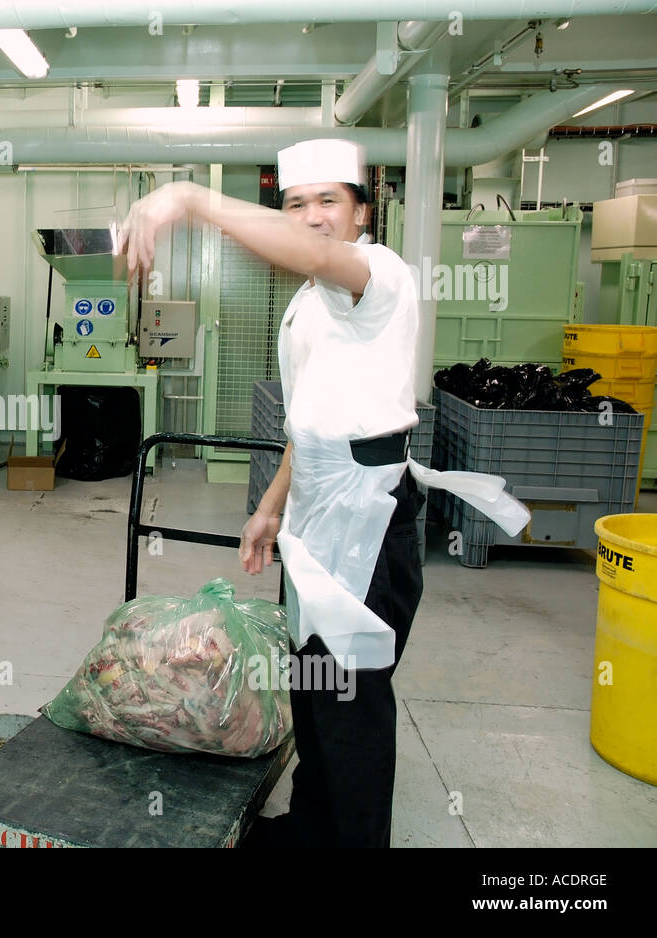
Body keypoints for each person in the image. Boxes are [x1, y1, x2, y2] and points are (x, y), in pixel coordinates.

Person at [116, 139, 528, 848]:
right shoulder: (309, 307)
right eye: (295, 205)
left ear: (363, 212)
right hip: (316, 508)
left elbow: (309, 255)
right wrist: (271, 507)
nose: (310, 219)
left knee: (353, 705)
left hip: (369, 514)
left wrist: (187, 197)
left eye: (327, 201)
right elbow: (308, 422)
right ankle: (312, 828)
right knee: (313, 685)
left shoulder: (378, 275)